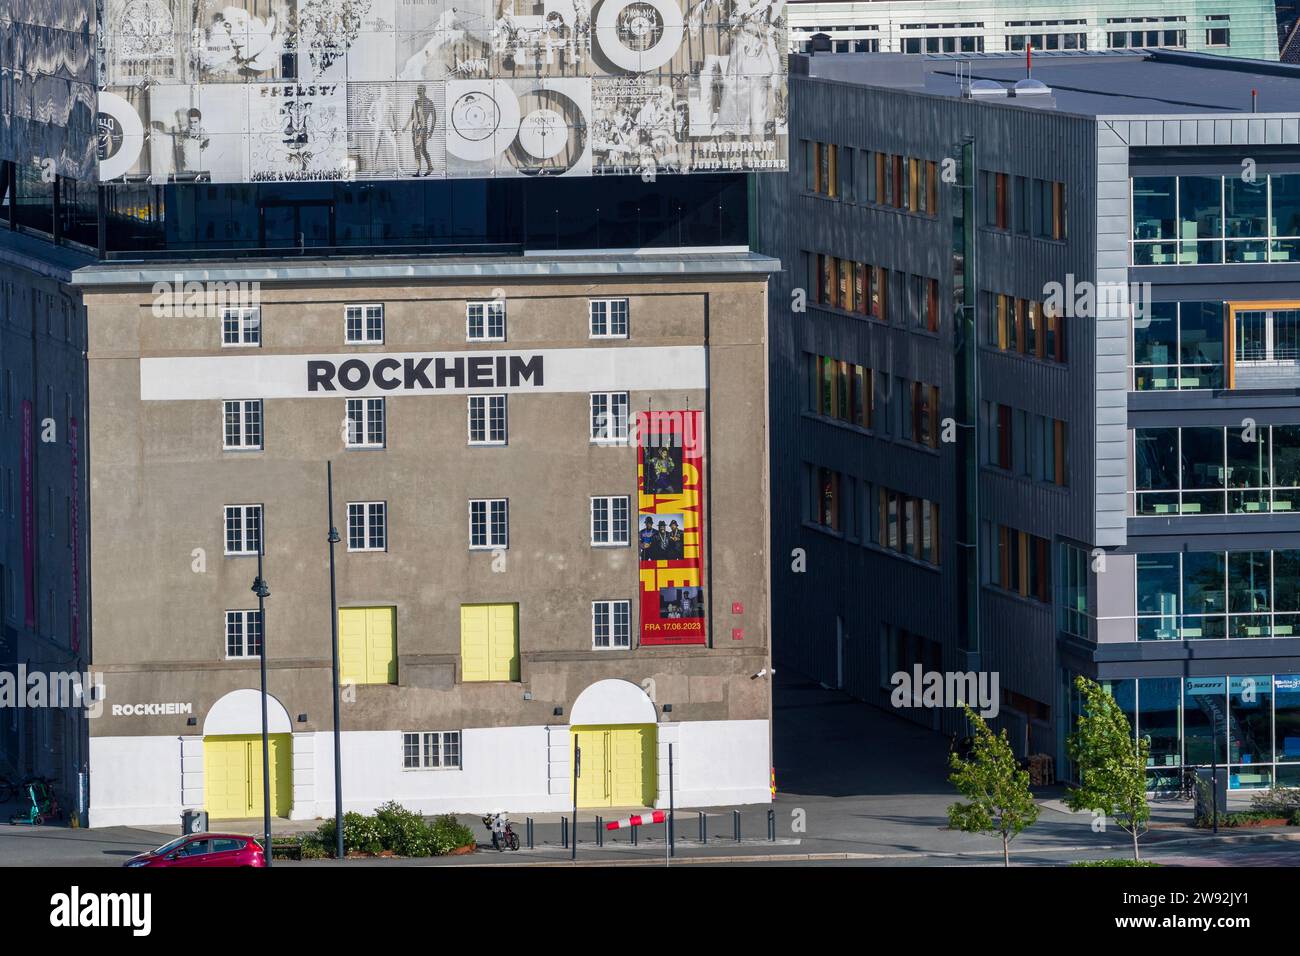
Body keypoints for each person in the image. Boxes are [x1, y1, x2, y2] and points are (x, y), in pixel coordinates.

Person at [404, 85, 436, 177]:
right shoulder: (416, 102)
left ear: (424, 91)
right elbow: (412, 116)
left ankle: (428, 167)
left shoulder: (429, 103)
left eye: (420, 90)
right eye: (418, 90)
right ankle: (419, 170)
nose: (419, 92)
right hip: (415, 130)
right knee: (417, 150)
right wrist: (405, 126)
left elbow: (434, 118)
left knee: (422, 150)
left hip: (422, 130)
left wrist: (431, 131)